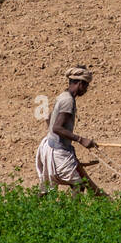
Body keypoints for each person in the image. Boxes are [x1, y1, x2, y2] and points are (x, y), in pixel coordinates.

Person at [35, 65, 106, 196]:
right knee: (78, 185)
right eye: (86, 86)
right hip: (58, 150)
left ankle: (33, 210)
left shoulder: (63, 96)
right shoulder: (68, 101)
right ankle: (73, 214)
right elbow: (57, 128)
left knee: (46, 189)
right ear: (79, 83)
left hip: (51, 146)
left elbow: (52, 121)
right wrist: (81, 140)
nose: (86, 90)